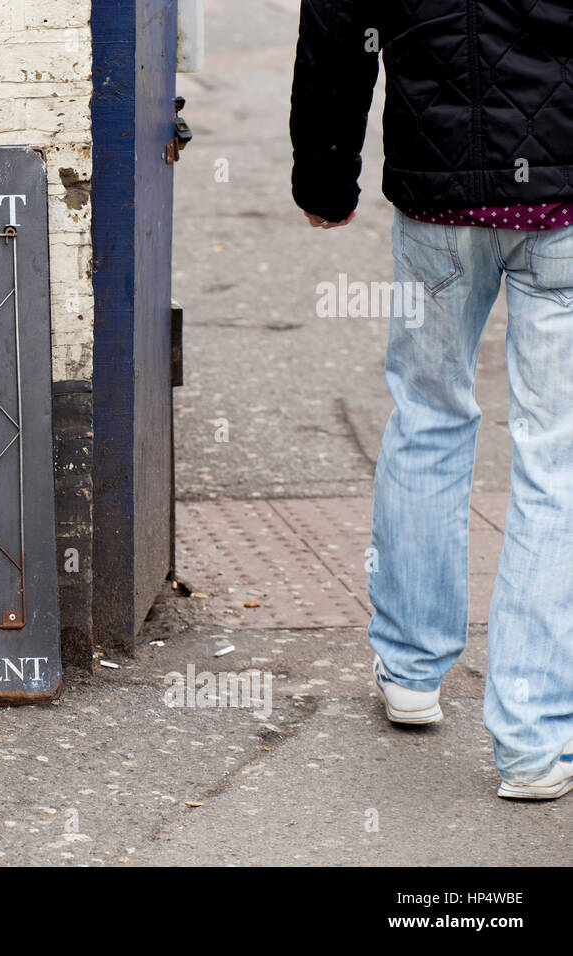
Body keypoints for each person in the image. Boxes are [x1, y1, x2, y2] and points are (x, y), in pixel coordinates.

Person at [291, 1, 573, 799]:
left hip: (437, 198)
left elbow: (337, 33)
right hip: (563, 202)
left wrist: (325, 176)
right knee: (558, 461)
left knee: (428, 415)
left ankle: (412, 670)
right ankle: (533, 739)